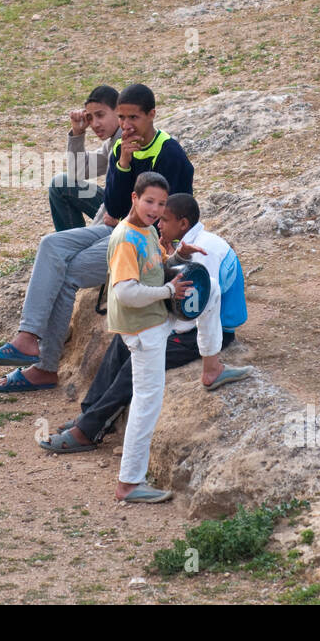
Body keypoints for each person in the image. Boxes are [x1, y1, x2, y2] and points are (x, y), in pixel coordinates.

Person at [0, 83, 193, 391]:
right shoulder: (125, 146)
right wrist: (121, 163)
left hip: (140, 242)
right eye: (122, 118)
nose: (126, 126)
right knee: (50, 245)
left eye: (133, 117)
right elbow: (117, 203)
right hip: (118, 227)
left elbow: (174, 215)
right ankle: (28, 337)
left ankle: (45, 367)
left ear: (152, 115)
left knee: (68, 273)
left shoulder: (170, 154)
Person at [39, 193, 253, 456]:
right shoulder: (188, 243)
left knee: (141, 355)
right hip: (188, 319)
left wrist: (156, 328)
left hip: (206, 328)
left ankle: (88, 431)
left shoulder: (205, 252)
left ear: (183, 224)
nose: (159, 225)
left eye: (164, 220)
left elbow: (197, 310)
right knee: (125, 337)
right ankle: (90, 414)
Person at [100, 172, 206, 503]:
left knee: (147, 401)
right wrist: (168, 290)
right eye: (149, 201)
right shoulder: (125, 238)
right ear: (134, 198)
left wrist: (180, 258)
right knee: (147, 404)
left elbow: (157, 268)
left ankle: (131, 479)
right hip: (143, 327)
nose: (156, 209)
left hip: (153, 322)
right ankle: (129, 483)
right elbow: (126, 292)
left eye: (161, 204)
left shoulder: (146, 231)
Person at [48, 85, 120, 232]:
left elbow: (114, 202)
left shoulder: (126, 143)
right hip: (115, 207)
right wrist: (77, 132)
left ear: (119, 111)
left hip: (132, 214)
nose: (94, 124)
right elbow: (77, 172)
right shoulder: (111, 143)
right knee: (60, 184)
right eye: (90, 118)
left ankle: (71, 247)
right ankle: (69, 244)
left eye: (100, 115)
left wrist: (85, 238)